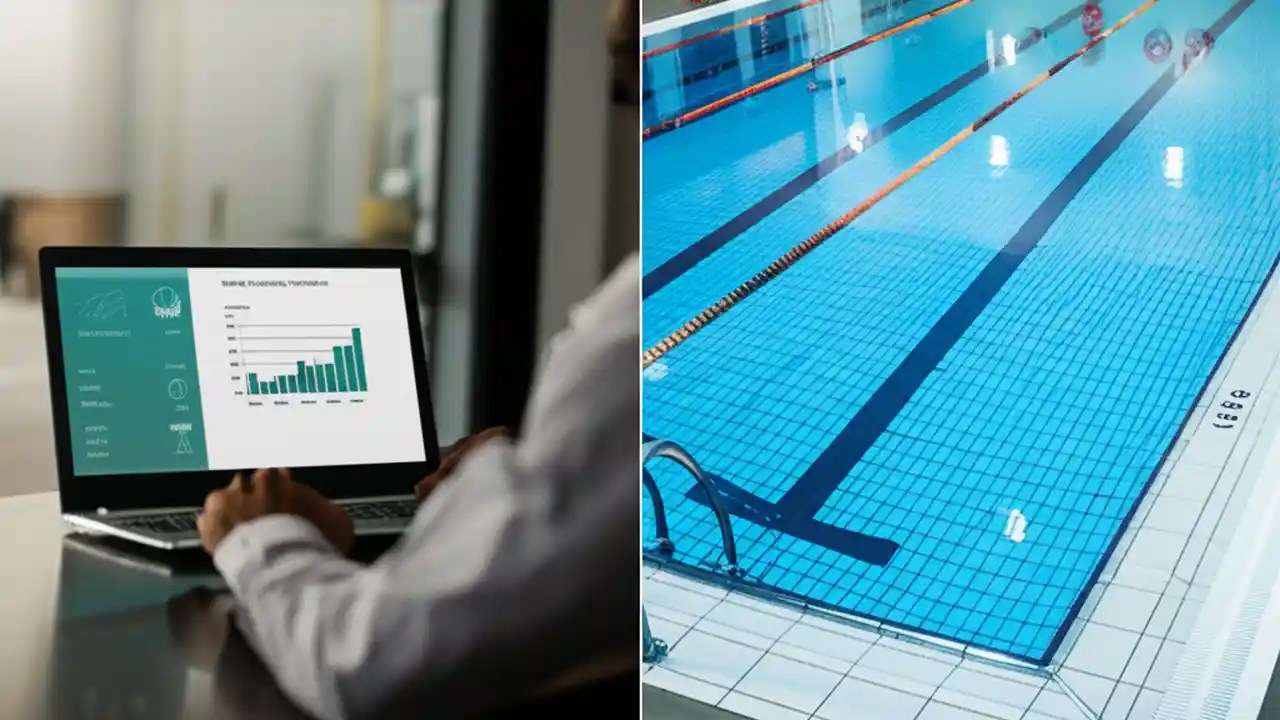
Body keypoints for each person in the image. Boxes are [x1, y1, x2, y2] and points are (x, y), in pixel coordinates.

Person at [194, 2, 641, 718]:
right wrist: (525, 474)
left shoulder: (629, 331)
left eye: (623, 71)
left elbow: (368, 667)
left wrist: (262, 537)